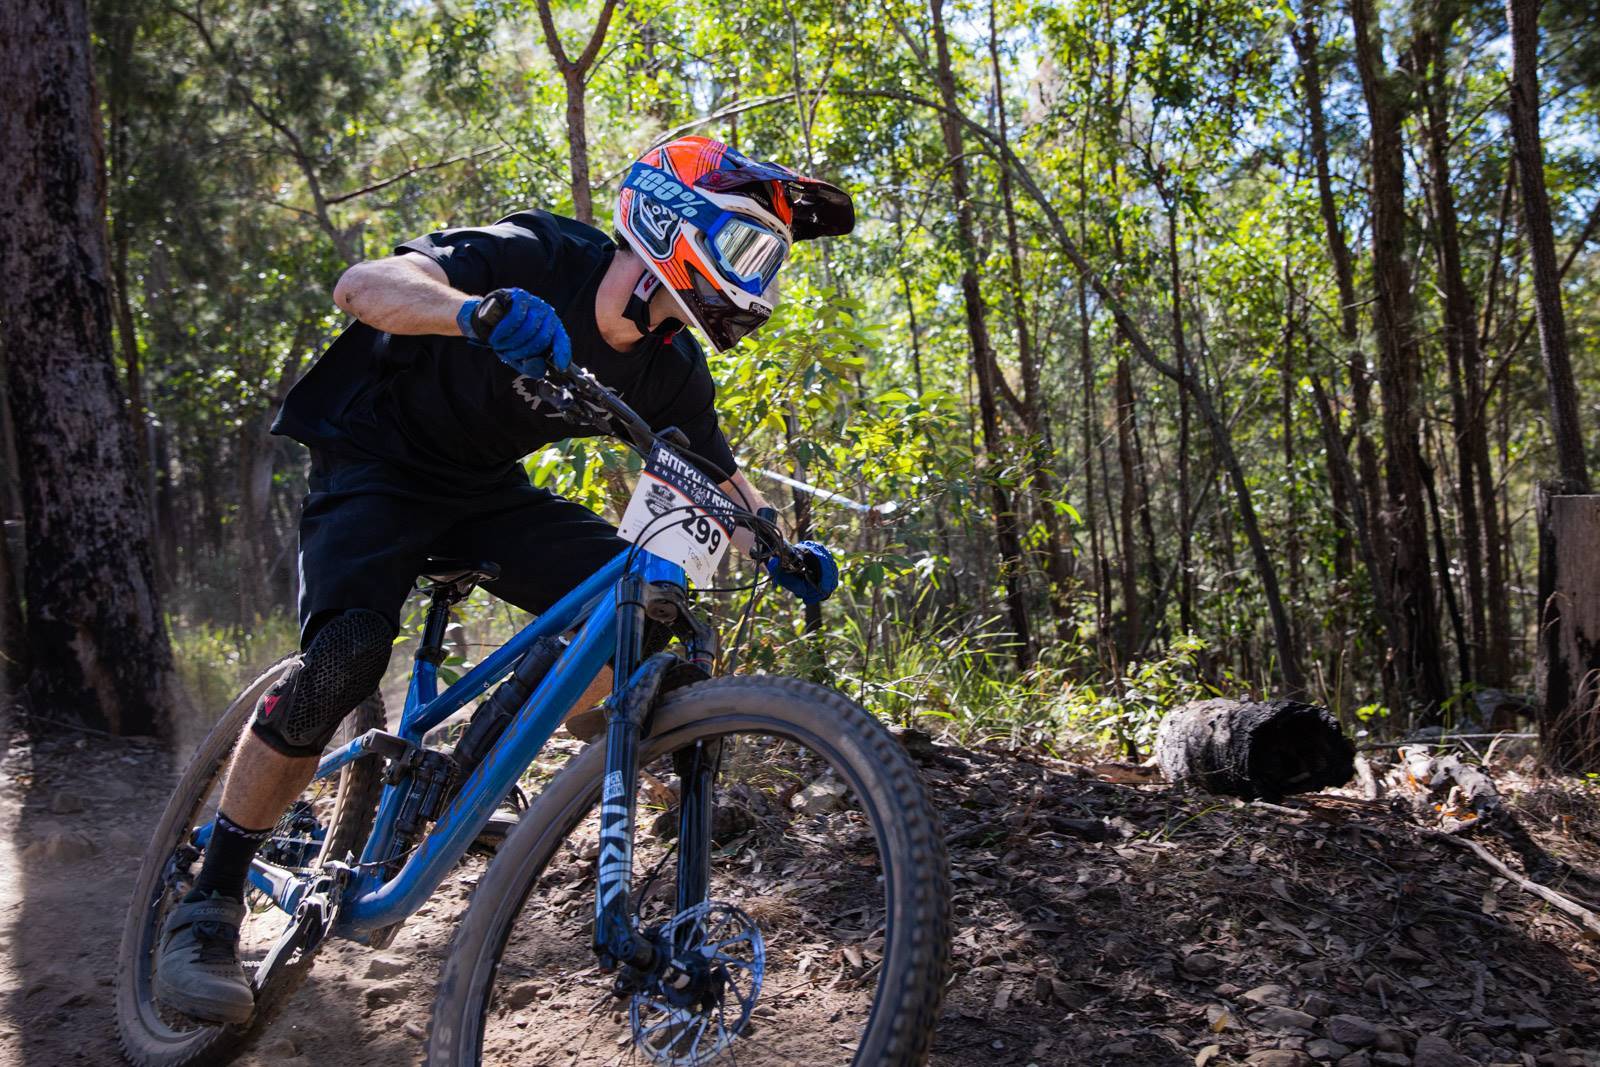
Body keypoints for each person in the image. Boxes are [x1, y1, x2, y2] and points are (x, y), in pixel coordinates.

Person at [155, 136, 855, 1024]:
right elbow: (363, 286)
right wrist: (475, 313)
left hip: (485, 493)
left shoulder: (671, 363)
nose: (758, 278)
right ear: (677, 223)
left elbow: (715, 472)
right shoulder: (540, 254)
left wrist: (778, 544)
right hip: (373, 460)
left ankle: (478, 768)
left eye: (768, 261)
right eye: (749, 247)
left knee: (643, 606)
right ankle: (208, 901)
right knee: (348, 654)